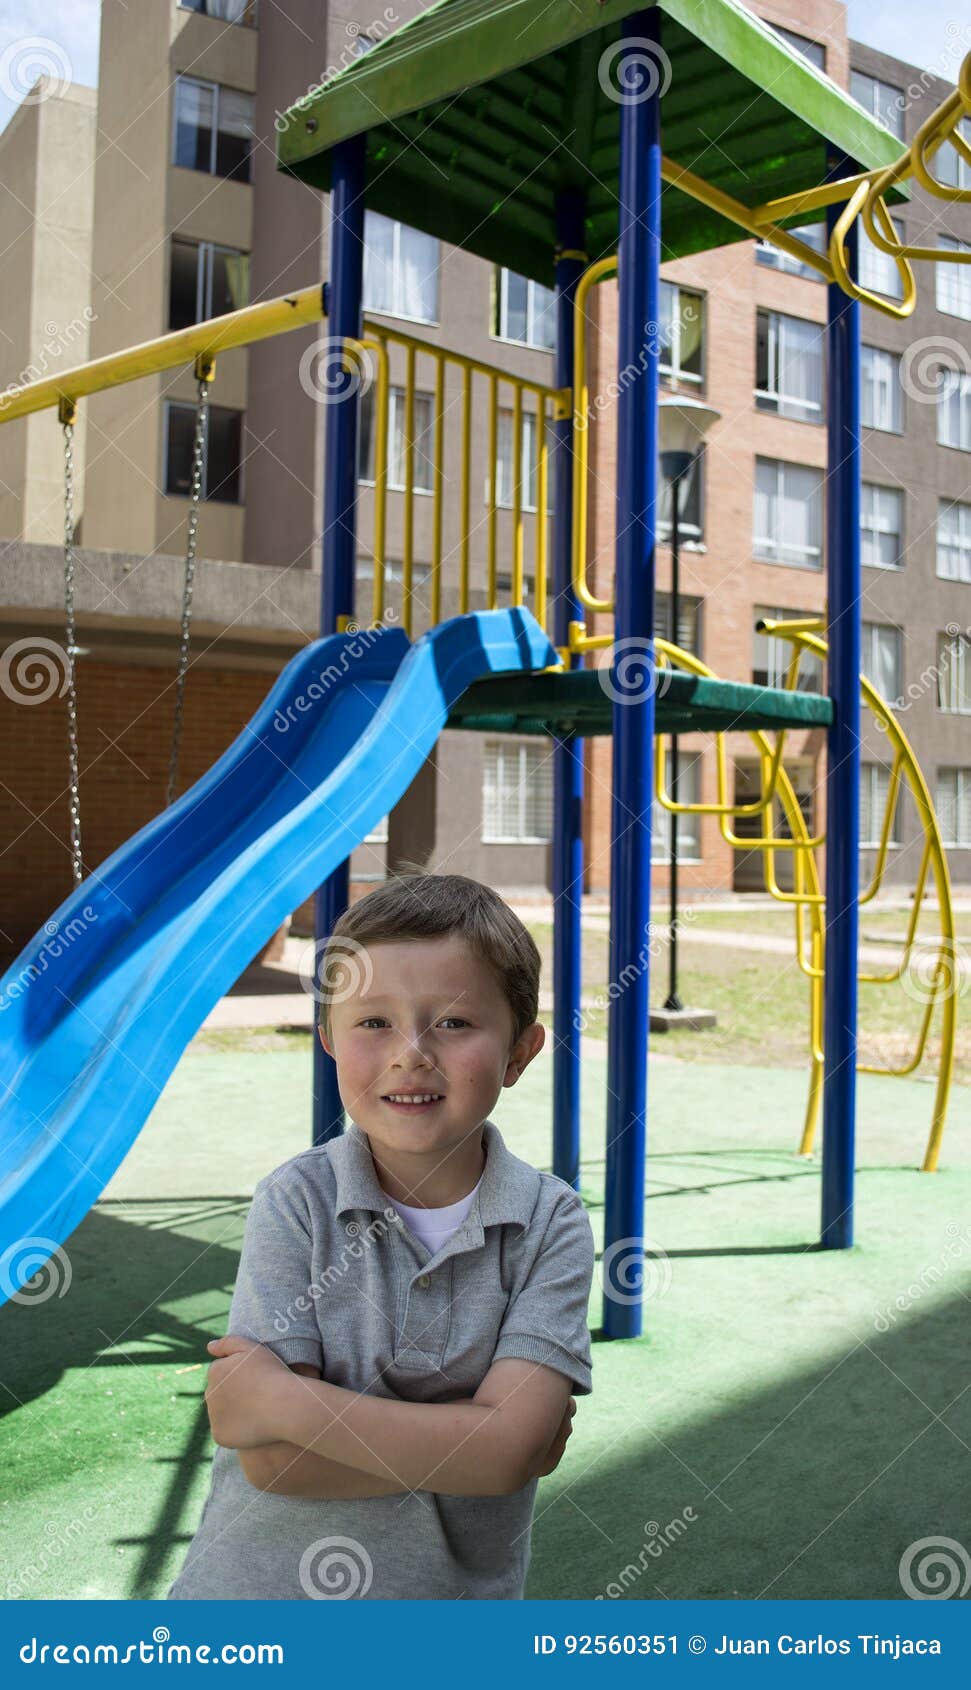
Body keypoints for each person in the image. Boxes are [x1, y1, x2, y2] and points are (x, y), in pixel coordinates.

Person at [167, 870, 594, 1601]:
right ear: (329, 1038)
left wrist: (287, 1406)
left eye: (454, 1022)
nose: (411, 1053)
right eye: (373, 1022)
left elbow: (508, 1452)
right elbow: (273, 1465)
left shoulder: (548, 1223)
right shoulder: (296, 1201)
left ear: (520, 1052)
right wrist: (474, 1445)